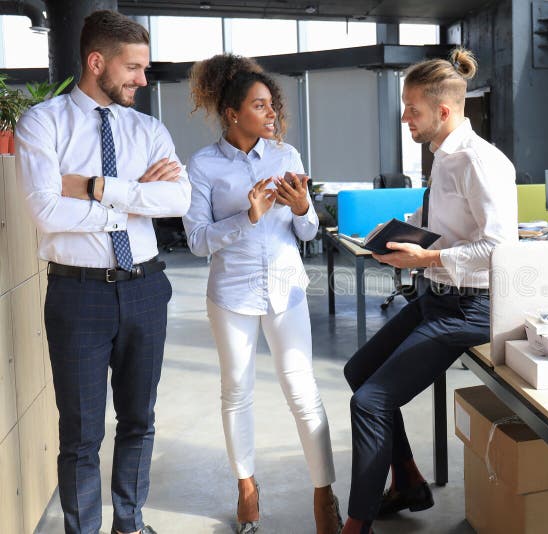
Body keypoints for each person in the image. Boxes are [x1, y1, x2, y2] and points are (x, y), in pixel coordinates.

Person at [14, 10, 190, 534]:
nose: (143, 79)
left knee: (139, 420)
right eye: (133, 68)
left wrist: (97, 188)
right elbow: (46, 210)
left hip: (146, 288)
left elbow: (178, 199)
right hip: (78, 295)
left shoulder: (149, 130)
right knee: (81, 434)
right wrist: (133, 202)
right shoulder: (42, 124)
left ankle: (129, 524)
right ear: (97, 63)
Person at [341, 48, 518, 534]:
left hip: (473, 307)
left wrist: (427, 259)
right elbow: (442, 221)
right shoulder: (443, 157)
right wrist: (396, 233)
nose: (405, 118)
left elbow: (500, 247)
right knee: (358, 372)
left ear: (442, 110)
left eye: (411, 109)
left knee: (369, 402)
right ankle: (408, 480)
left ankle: (355, 525)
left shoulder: (480, 162)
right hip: (438, 298)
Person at [182, 54, 341, 534]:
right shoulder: (204, 165)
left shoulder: (286, 156)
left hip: (286, 289)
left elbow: (307, 233)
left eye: (272, 104)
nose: (272, 113)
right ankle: (246, 486)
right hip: (231, 294)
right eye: (260, 105)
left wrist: (303, 208)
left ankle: (324, 493)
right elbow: (197, 241)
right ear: (233, 113)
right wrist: (247, 217)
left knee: (303, 390)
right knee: (237, 391)